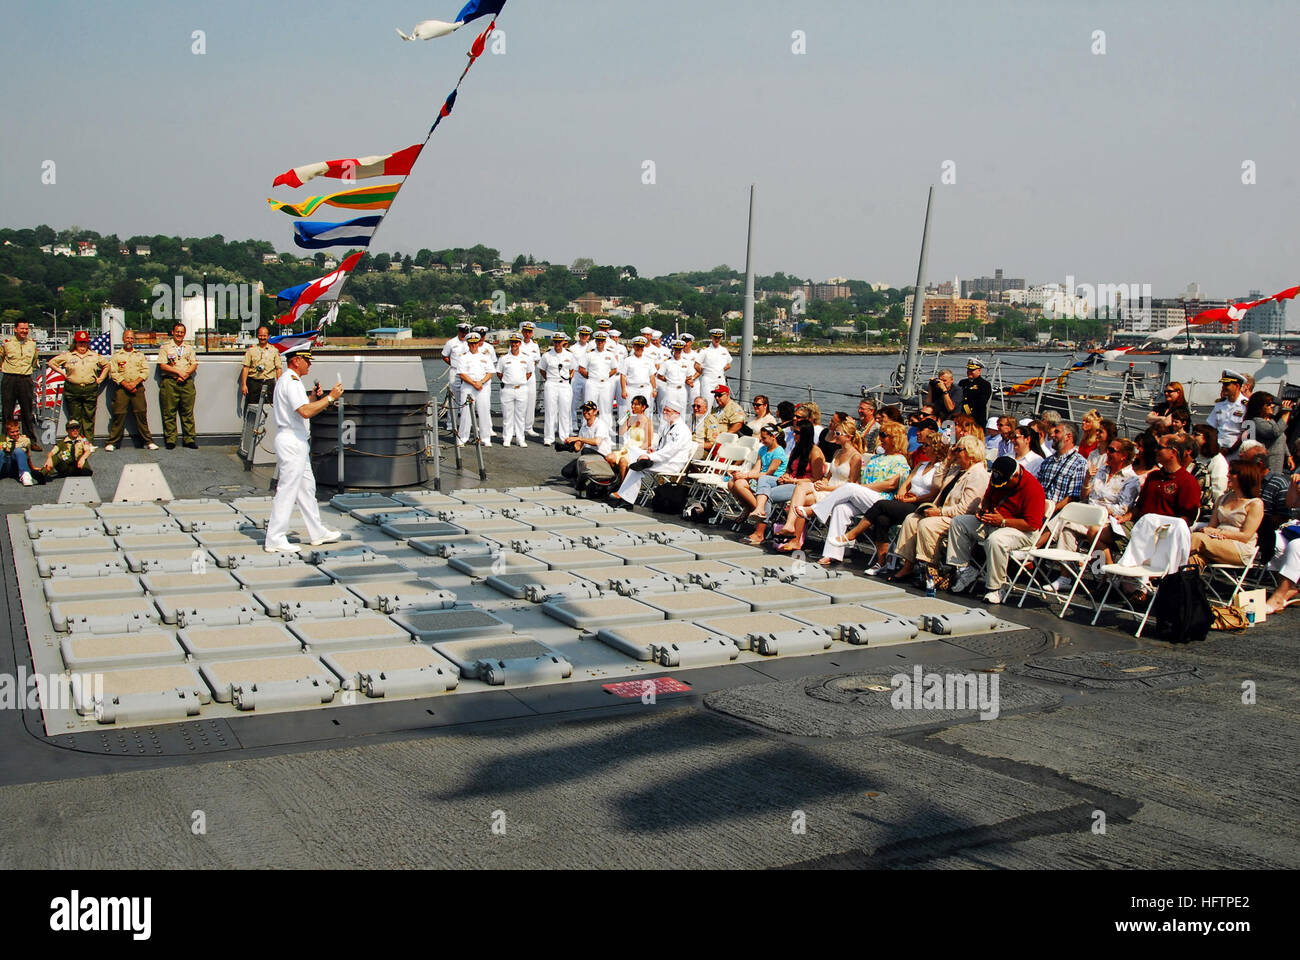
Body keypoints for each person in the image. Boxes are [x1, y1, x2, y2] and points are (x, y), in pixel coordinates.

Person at [264, 346, 343, 553]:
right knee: (287, 490)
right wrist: (330, 398)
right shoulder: (290, 382)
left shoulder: (291, 381)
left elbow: (301, 408)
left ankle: (316, 532)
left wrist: (314, 399)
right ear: (296, 360)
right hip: (292, 442)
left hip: (297, 440)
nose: (310, 364)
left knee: (307, 488)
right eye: (307, 360)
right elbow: (305, 412)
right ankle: (275, 537)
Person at [1040, 438, 1141, 591]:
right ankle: (1065, 576)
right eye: (1108, 449)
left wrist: (1100, 510)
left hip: (1107, 519)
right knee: (1067, 526)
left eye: (1112, 451)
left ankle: (1036, 547)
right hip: (1088, 512)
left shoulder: (1131, 479)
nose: (1108, 452)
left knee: (1066, 520)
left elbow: (1122, 509)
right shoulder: (1101, 470)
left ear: (1124, 456)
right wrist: (1087, 479)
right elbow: (1085, 496)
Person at [887, 436, 990, 582]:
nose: (954, 452)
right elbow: (936, 486)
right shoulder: (956, 470)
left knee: (927, 525)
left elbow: (966, 508)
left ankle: (930, 568)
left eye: (958, 450)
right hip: (941, 512)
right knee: (911, 519)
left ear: (970, 453)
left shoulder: (978, 475)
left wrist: (940, 512)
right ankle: (908, 565)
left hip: (956, 519)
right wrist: (947, 461)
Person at [947, 456, 1047, 605]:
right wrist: (985, 510)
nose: (1002, 486)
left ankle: (996, 587)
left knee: (996, 539)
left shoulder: (1033, 488)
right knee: (958, 522)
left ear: (1016, 475)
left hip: (1021, 531)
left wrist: (1003, 522)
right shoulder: (997, 478)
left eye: (1005, 484)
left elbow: (1032, 525)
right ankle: (964, 569)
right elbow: (987, 497)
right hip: (995, 522)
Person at [806, 422, 911, 563]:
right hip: (867, 498)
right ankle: (832, 554)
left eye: (884, 435)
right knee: (840, 509)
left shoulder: (900, 460)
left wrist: (865, 487)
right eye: (880, 434)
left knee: (851, 487)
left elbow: (891, 484)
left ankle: (816, 509)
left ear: (895, 438)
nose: (880, 438)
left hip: (883, 499)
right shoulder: (876, 457)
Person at [851, 435, 948, 571]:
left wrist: (912, 499)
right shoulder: (921, 465)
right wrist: (902, 493)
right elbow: (907, 482)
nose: (923, 448)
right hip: (907, 501)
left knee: (881, 504)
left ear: (937, 448)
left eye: (927, 445)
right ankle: (882, 561)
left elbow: (933, 494)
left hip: (920, 505)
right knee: (881, 519)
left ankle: (853, 534)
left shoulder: (940, 469)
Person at [778, 418, 864, 547]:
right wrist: (822, 482)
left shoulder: (855, 457)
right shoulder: (837, 452)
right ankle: (790, 527)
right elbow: (828, 476)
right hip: (827, 488)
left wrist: (826, 488)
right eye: (835, 432)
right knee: (801, 488)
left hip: (840, 493)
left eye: (838, 434)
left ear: (849, 437)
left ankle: (795, 538)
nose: (834, 435)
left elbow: (852, 486)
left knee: (802, 501)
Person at [750, 420, 826, 546]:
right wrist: (785, 476)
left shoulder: (815, 452)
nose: (794, 435)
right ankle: (759, 509)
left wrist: (793, 480)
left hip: (801, 486)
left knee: (768, 495)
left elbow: (816, 478)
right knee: (764, 479)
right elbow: (789, 470)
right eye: (793, 432)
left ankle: (759, 532)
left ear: (805, 434)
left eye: (797, 432)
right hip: (790, 481)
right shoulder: (797, 449)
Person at [608, 399, 693, 508]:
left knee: (636, 468)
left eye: (668, 411)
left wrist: (650, 456)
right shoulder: (668, 425)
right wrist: (653, 450)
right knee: (633, 450)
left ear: (677, 413)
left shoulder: (681, 430)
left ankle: (626, 498)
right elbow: (663, 447)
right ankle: (641, 464)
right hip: (662, 458)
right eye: (664, 410)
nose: (665, 412)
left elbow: (670, 451)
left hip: (672, 463)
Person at [1187, 460, 1263, 567]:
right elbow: (1211, 527)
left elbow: (1246, 536)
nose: (1227, 475)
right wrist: (1214, 533)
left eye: (1232, 473)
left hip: (1240, 547)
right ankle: (1180, 582)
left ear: (1244, 477)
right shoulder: (1222, 499)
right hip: (1217, 541)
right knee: (1194, 558)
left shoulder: (1255, 504)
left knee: (1196, 538)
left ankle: (1161, 565)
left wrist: (1220, 533)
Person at [104, 329, 158, 451]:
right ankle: (112, 442)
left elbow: (145, 371)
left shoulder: (139, 355)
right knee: (119, 415)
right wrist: (126, 384)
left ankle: (148, 441)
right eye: (127, 338)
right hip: (121, 389)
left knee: (141, 414)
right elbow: (114, 373)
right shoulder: (117, 356)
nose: (129, 340)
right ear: (123, 339)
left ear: (134, 340)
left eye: (131, 338)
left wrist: (134, 384)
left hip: (137, 388)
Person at [49, 330, 108, 441]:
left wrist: (101, 378)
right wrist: (62, 373)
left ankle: (88, 442)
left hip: (89, 389)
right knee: (74, 418)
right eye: (80, 342)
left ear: (87, 343)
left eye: (84, 343)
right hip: (73, 389)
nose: (82, 345)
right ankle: (76, 442)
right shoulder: (68, 356)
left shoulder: (94, 356)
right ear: (75, 343)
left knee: (89, 417)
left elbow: (107, 365)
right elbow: (52, 363)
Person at [733, 424, 789, 543]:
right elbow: (756, 469)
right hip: (760, 478)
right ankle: (751, 508)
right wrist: (745, 474)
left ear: (773, 437)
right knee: (732, 483)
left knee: (739, 484)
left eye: (764, 438)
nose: (761, 440)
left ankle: (759, 512)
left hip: (772, 481)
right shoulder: (763, 449)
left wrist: (747, 476)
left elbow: (769, 473)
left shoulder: (779, 452)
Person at [2, 321, 43, 450]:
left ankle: (31, 440)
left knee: (27, 411)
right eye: (22, 328)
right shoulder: (7, 343)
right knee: (7, 411)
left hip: (25, 379)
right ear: (15, 329)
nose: (24, 331)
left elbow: (34, 361)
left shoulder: (32, 344)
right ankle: (5, 440)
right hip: (10, 378)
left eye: (26, 329)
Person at [157, 322, 199, 449]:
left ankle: (189, 439)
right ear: (172, 332)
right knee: (169, 412)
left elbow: (194, 363)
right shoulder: (165, 347)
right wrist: (178, 372)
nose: (179, 334)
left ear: (184, 334)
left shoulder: (189, 348)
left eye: (182, 332)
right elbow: (162, 365)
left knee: (187, 412)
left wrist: (185, 374)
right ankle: (170, 439)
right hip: (170, 382)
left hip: (187, 382)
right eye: (177, 332)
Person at [451, 332, 496, 445]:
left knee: (484, 412)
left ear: (478, 343)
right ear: (468, 343)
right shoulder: (463, 357)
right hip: (468, 387)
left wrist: (480, 382)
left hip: (482, 387)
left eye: (475, 343)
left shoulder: (485, 357)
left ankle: (485, 439)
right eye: (471, 344)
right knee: (465, 413)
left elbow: (490, 372)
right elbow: (462, 374)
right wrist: (474, 383)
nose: (473, 346)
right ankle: (462, 438)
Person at [1035, 420, 1088, 515]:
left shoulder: (1079, 463)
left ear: (1068, 436)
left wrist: (1050, 510)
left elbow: (1073, 497)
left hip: (1057, 515)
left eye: (1057, 432)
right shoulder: (1047, 461)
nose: (1052, 435)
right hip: (1037, 509)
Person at [496, 333, 533, 447]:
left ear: (520, 343)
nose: (514, 344)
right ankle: (507, 438)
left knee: (520, 416)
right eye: (512, 342)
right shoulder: (503, 358)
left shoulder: (526, 358)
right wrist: (509, 381)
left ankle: (520, 439)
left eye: (516, 342)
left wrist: (519, 381)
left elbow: (529, 373)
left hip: (521, 389)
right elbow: (499, 373)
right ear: (510, 343)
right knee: (507, 416)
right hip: (507, 389)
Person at [538, 332, 574, 445]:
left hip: (564, 385)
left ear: (564, 342)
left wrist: (568, 377)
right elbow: (542, 370)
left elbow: (572, 369)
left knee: (564, 411)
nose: (557, 344)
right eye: (555, 342)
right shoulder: (547, 355)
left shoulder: (569, 355)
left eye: (559, 342)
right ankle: (549, 437)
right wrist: (549, 379)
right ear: (553, 342)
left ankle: (564, 436)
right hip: (551, 384)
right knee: (550, 411)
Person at [608, 395, 654, 482]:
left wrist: (633, 450)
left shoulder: (647, 422)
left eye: (636, 404)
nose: (633, 406)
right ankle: (617, 480)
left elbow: (647, 443)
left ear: (643, 407)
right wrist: (627, 419)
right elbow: (621, 433)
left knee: (622, 461)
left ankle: (622, 487)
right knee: (609, 457)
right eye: (632, 404)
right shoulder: (632, 419)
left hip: (637, 450)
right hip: (626, 448)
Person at [619, 337, 657, 441]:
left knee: (646, 412)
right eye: (637, 346)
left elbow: (652, 376)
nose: (639, 348)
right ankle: (629, 437)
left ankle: (646, 435)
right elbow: (623, 376)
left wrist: (654, 389)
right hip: (632, 388)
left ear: (644, 347)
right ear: (634, 347)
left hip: (645, 388)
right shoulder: (627, 360)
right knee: (631, 412)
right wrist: (623, 390)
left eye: (641, 346)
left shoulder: (648, 360)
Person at [579, 330, 618, 432]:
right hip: (592, 383)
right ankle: (586, 431)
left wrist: (605, 376)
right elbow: (581, 369)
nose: (600, 342)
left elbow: (614, 369)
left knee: (606, 409)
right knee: (588, 408)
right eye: (598, 340)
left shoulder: (610, 354)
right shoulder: (589, 354)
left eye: (602, 340)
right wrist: (591, 377)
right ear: (595, 341)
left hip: (605, 383)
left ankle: (606, 432)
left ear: (605, 342)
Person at [1244, 390, 1290, 476]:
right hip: (1268, 464)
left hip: (1278, 463)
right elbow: (1274, 432)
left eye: (1272, 403)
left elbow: (1280, 436)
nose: (1272, 406)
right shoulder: (1256, 422)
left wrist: (1288, 455)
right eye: (1268, 404)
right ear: (1260, 407)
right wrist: (1286, 412)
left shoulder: (1271, 421)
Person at [1208, 370, 1249, 459]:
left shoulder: (1246, 406)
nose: (1223, 388)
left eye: (1226, 385)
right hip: (1218, 449)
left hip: (1237, 451)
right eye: (1223, 385)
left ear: (1237, 386)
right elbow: (1212, 429)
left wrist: (1230, 450)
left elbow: (1248, 433)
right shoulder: (1219, 405)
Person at [241, 325, 283, 405]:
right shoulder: (251, 350)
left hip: (269, 383)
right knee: (253, 406)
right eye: (260, 335)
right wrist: (244, 385)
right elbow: (245, 368)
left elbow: (278, 369)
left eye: (264, 336)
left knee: (270, 406)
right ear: (257, 336)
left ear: (268, 336)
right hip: (254, 383)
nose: (262, 338)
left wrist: (279, 385)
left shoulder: (274, 351)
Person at [656, 342, 693, 432]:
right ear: (673, 349)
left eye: (679, 350)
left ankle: (680, 432)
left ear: (682, 350)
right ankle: (663, 432)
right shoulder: (667, 362)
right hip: (670, 389)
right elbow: (659, 375)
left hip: (682, 390)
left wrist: (686, 380)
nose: (678, 351)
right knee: (667, 411)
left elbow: (689, 376)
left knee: (682, 411)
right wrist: (668, 380)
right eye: (676, 349)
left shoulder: (686, 362)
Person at [1192, 424, 1229, 510]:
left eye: (1196, 434)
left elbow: (1218, 490)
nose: (1192, 436)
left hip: (1206, 506)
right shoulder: (1196, 455)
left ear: (1207, 438)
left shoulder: (1218, 461)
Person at [519, 322, 543, 437]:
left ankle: (529, 427)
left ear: (532, 333)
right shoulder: (518, 344)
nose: (527, 334)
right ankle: (517, 427)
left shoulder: (535, 346)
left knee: (531, 401)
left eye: (529, 332)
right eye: (525, 331)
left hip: (531, 376)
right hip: (519, 375)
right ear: (522, 332)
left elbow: (537, 360)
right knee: (519, 401)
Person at [695, 328, 732, 398]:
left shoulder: (724, 350)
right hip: (708, 380)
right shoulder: (705, 351)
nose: (717, 339)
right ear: (711, 337)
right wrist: (705, 372)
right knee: (707, 403)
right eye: (715, 337)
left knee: (720, 404)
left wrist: (719, 371)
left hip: (720, 380)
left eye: (719, 337)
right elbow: (696, 365)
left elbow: (729, 365)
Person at [568, 326, 592, 431]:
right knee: (573, 402)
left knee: (586, 401)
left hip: (587, 376)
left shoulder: (591, 348)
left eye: (586, 335)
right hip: (577, 376)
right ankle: (573, 423)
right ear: (579, 335)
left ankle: (584, 423)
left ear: (589, 336)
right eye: (582, 335)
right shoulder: (573, 348)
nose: (584, 337)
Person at [0, 419, 35, 485]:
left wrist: (32, 467)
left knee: (18, 450)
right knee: (0, 452)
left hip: (16, 466)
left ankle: (25, 475)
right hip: (4, 466)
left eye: (17, 431)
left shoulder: (25, 440)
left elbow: (28, 455)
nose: (15, 434)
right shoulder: (3, 438)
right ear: (7, 432)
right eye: (12, 432)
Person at [957, 358, 991, 423]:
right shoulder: (962, 382)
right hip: (962, 416)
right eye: (968, 370)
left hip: (976, 418)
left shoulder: (984, 384)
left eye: (972, 370)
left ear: (979, 371)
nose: (969, 372)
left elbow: (981, 403)